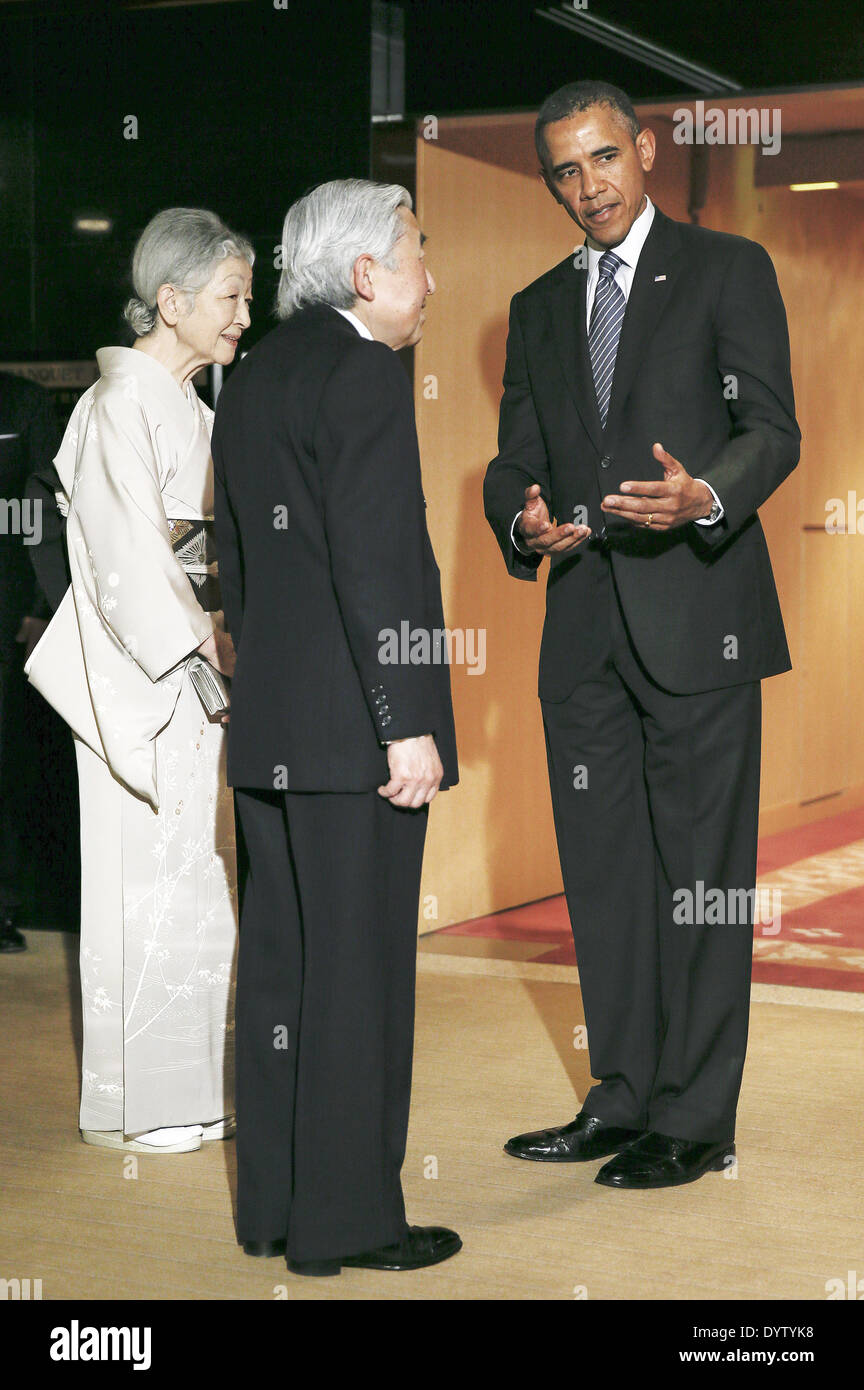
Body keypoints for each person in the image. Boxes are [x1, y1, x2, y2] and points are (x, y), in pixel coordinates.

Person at [484, 81, 800, 1189]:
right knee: (607, 878)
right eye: (566, 171)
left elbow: (774, 428)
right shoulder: (533, 306)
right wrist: (519, 514)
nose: (589, 187)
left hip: (700, 625)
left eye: (604, 159)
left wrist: (706, 497)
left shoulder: (728, 270)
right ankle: (621, 1095)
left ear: (647, 151)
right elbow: (515, 453)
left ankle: (697, 1115)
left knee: (701, 882)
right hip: (581, 639)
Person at [212, 179, 461, 1274]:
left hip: (271, 732)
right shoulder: (362, 369)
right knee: (356, 982)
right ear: (367, 273)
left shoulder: (255, 371)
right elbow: (375, 565)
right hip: (355, 738)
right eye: (416, 252)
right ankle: (353, 1223)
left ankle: (274, 1210)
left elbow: (247, 566)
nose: (429, 278)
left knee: (280, 976)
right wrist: (405, 724)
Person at [26, 209, 253, 1154]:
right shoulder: (118, 404)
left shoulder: (188, 406)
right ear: (172, 302)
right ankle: (149, 1104)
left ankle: (191, 1090)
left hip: (199, 665)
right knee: (150, 886)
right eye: (231, 298)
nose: (245, 316)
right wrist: (200, 643)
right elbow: (123, 553)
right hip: (152, 674)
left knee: (198, 884)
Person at [0, 372, 61, 952]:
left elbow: (42, 507)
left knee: (7, 760)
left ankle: (3, 907)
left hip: (6, 612)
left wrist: (40, 606)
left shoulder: (22, 402)